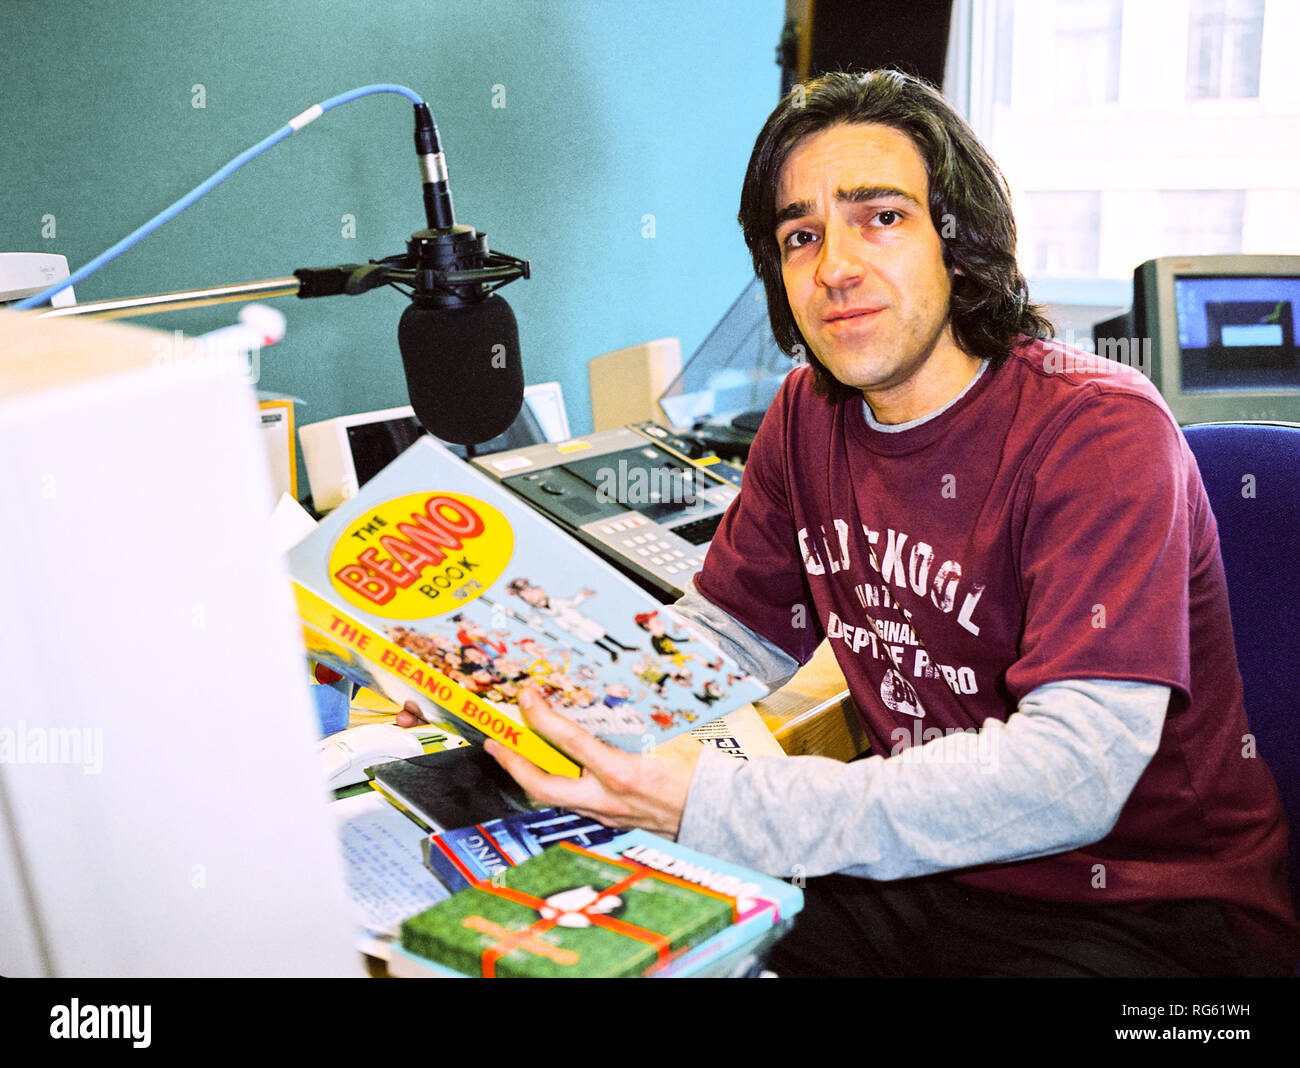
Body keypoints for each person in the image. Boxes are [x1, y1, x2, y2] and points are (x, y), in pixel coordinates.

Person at [462, 70, 1297, 977]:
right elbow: (728, 638)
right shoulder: (804, 415)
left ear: (961, 240)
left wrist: (717, 802)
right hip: (927, 877)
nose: (835, 266)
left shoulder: (1098, 431)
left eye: (882, 217)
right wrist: (541, 679)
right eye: (802, 235)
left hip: (1153, 917)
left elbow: (1075, 776)